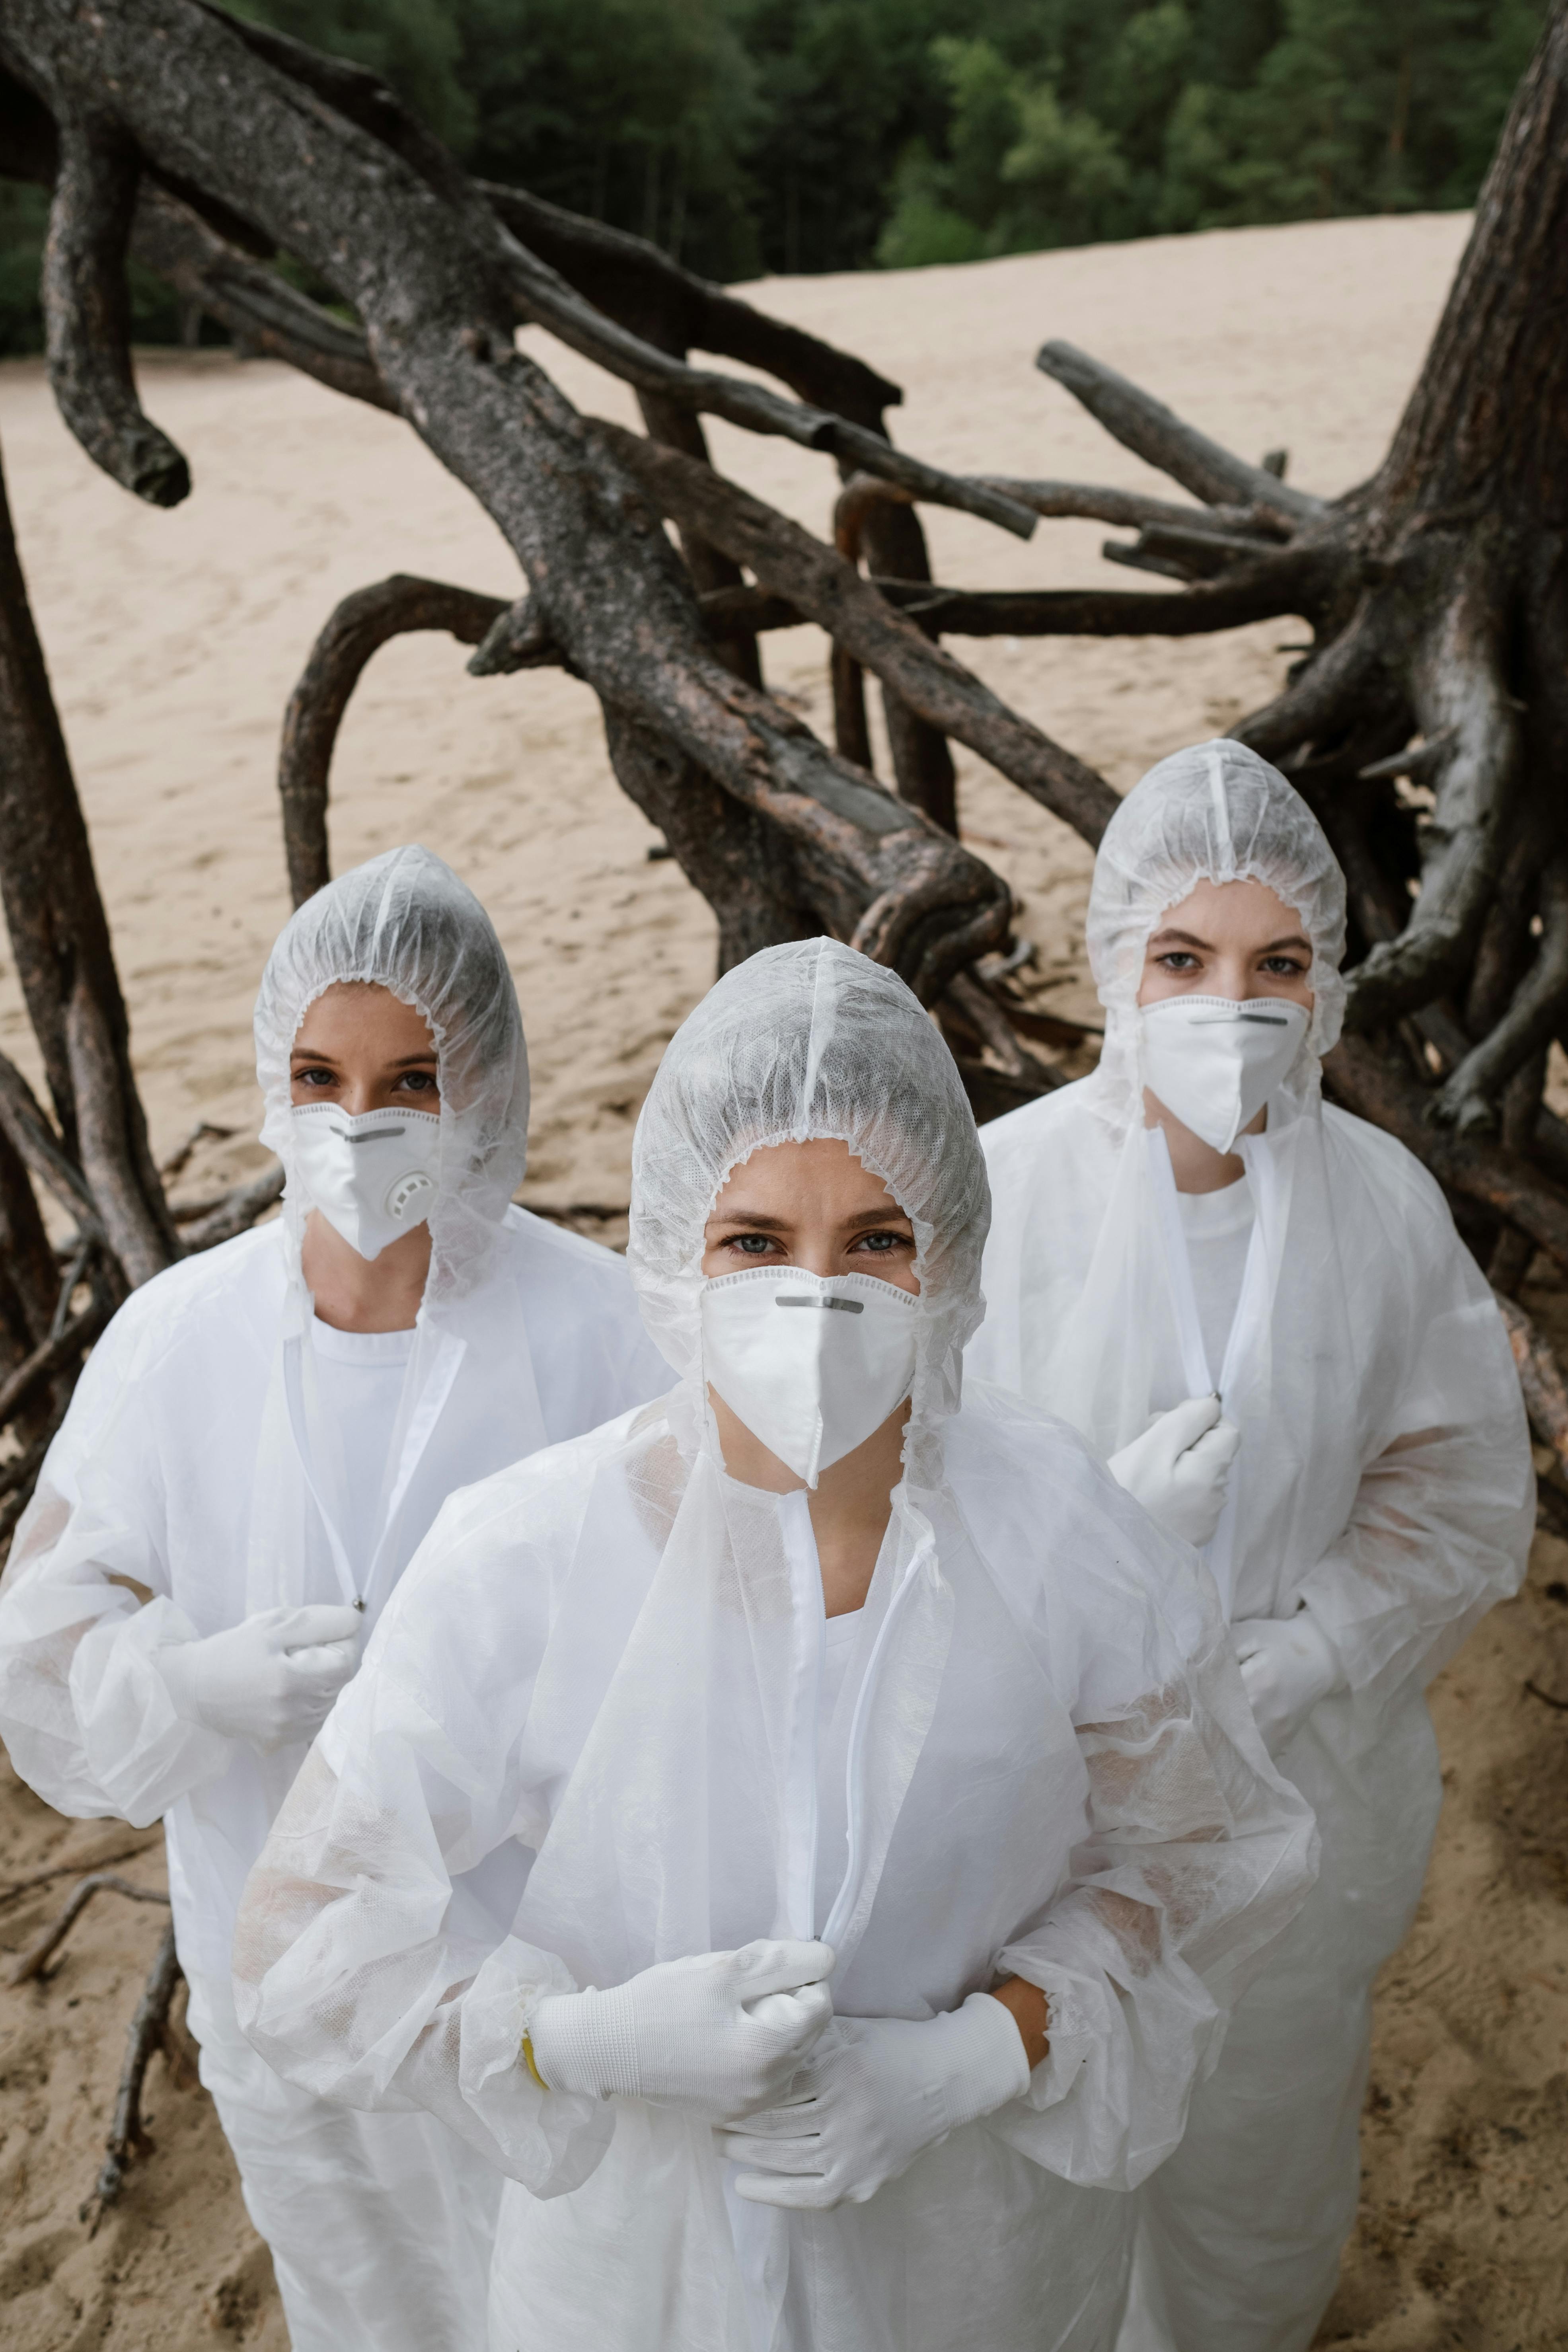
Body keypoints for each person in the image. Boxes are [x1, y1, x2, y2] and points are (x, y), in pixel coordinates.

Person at [232, 935, 1314, 2352]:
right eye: (755, 1243)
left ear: (952, 1260)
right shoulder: (526, 1562)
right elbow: (303, 1941)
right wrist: (574, 2040)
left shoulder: (1055, 1532)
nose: (817, 1297)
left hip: (981, 2269)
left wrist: (982, 2052)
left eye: (877, 1239)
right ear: (677, 1257)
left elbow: (1209, 1851)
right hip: (632, 2286)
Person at [0, 845, 668, 2352]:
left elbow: (705, 1625)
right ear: (272, 1078)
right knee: (365, 2300)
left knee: (574, 2301)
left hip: (534, 1975)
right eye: (320, 1074)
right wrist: (181, 1687)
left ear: (483, 1084)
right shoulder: (180, 1344)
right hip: (276, 1975)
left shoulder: (602, 1333)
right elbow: (41, 1646)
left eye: (410, 1078)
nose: (358, 1123)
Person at [970, 741, 1535, 2352]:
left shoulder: (1373, 1206)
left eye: (1273, 961)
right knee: (1037, 2191)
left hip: (1299, 1808)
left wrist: (1316, 1643)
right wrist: (1080, 1568)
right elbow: (898, 1507)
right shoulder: (997, 1207)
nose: (1231, 1002)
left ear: (1327, 981)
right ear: (1111, 968)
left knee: (1259, 2171)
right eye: (1182, 958)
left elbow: (1447, 1479)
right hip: (1037, 1820)